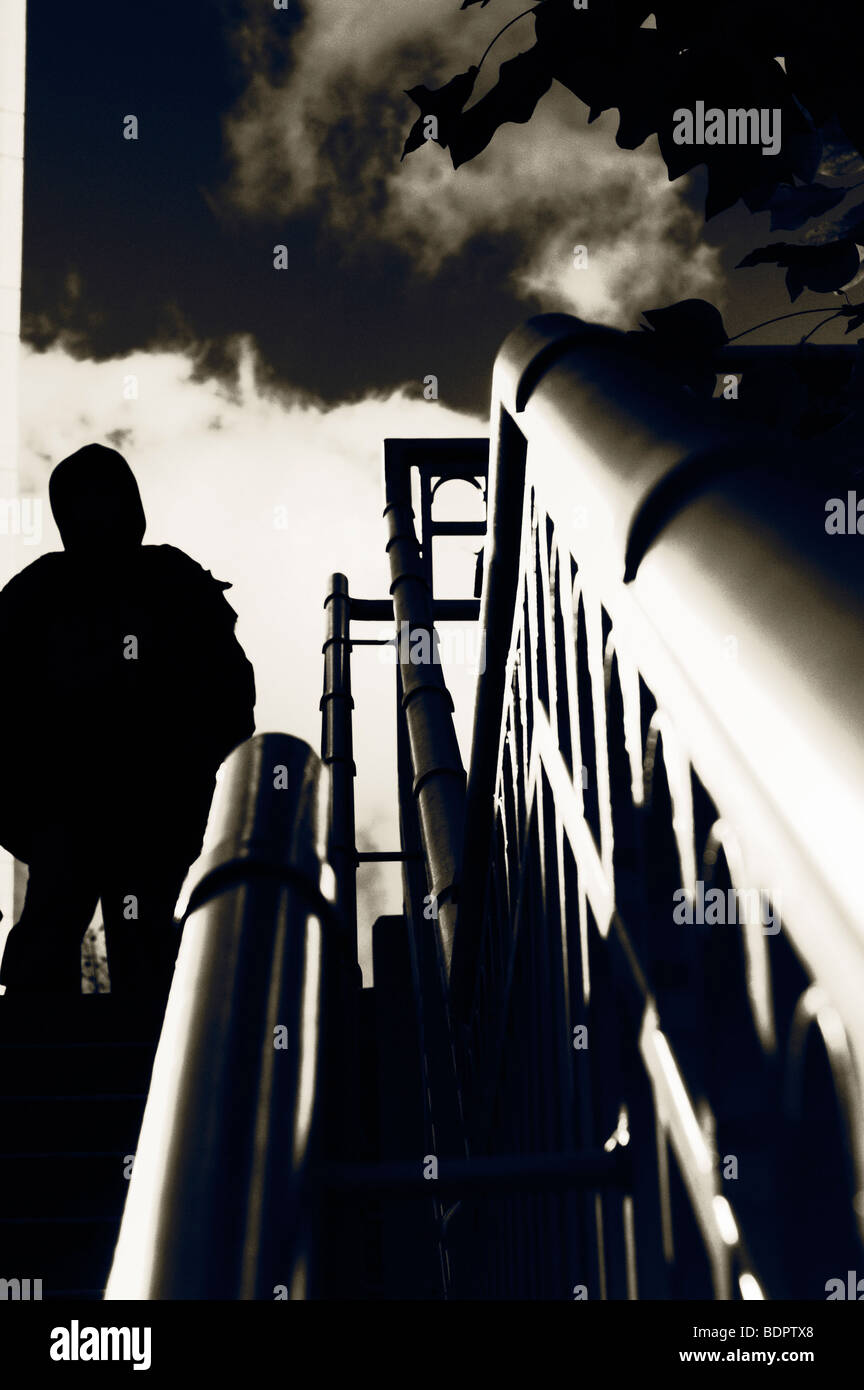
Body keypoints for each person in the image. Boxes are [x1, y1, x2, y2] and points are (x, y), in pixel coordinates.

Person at [0, 443, 256, 999]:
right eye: (80, 500)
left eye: (104, 496)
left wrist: (193, 766)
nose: (94, 512)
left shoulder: (171, 580)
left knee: (139, 941)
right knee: (52, 932)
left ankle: (151, 1055)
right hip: (66, 803)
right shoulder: (37, 592)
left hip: (150, 802)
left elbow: (229, 690)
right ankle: (45, 1052)